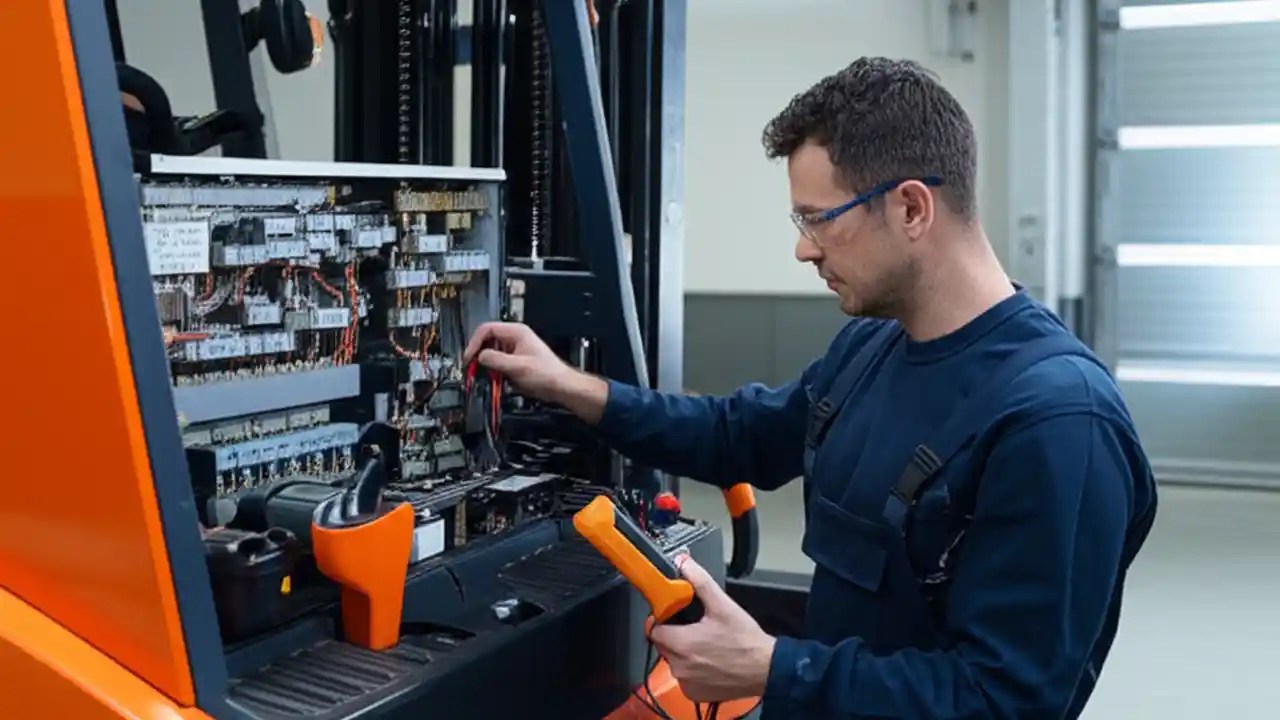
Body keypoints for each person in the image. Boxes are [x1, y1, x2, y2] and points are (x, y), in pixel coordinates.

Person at [464, 57, 1158, 719]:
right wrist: (568, 386)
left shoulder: (1057, 423)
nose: (804, 247)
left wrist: (773, 668)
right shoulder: (872, 347)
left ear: (912, 209)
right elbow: (739, 434)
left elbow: (1006, 701)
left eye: (818, 218)